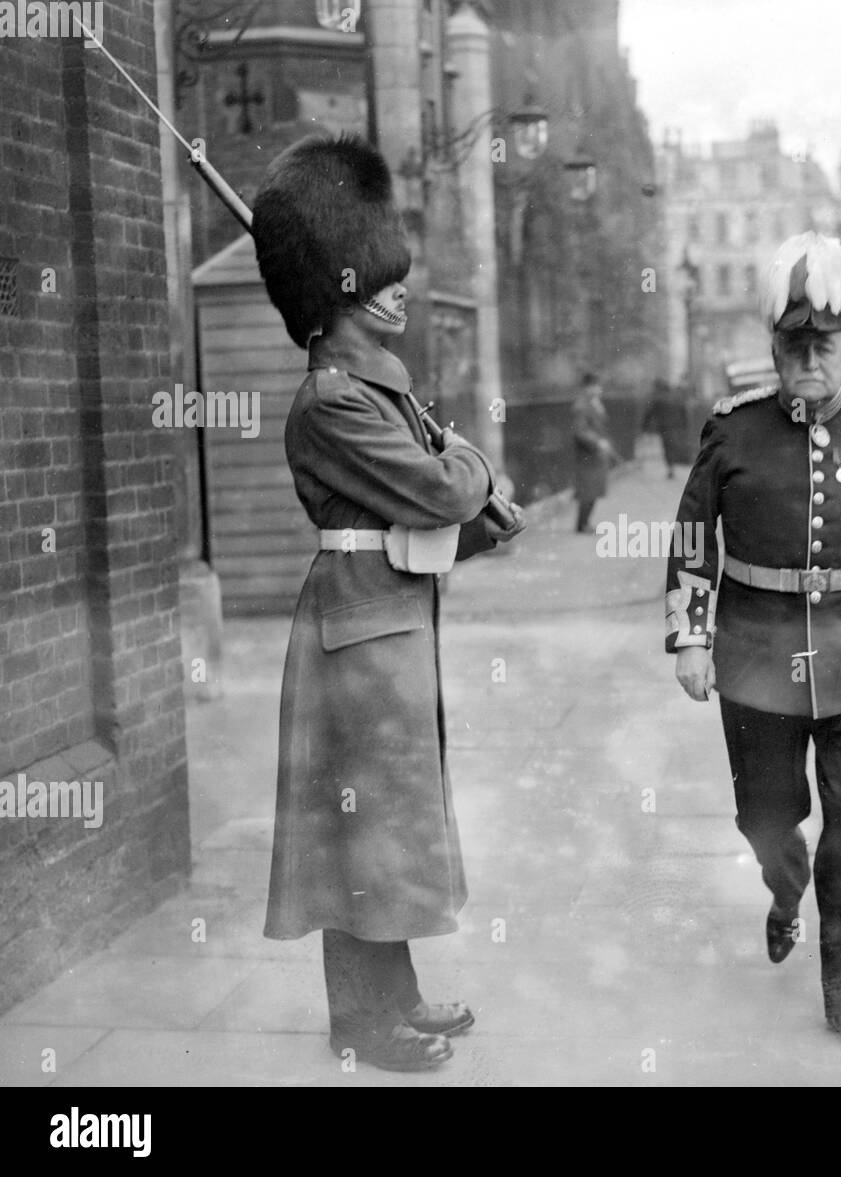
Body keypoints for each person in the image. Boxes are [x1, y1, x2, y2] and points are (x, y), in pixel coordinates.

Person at [251, 134, 526, 1072]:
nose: (400, 288)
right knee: (362, 827)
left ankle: (395, 997)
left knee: (388, 821)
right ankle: (360, 1024)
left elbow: (428, 509)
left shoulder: (375, 391)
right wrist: (475, 472)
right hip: (358, 629)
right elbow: (440, 491)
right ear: (338, 289)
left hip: (389, 614)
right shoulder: (333, 401)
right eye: (379, 275)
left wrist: (483, 520)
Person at [665, 232, 841, 1057]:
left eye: (822, 344)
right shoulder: (732, 430)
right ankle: (782, 881)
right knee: (765, 816)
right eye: (792, 344)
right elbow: (692, 534)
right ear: (772, 346)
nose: (807, 360)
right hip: (755, 658)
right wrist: (690, 637)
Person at [572, 372, 616, 533]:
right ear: (588, 387)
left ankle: (585, 523)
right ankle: (582, 524)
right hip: (588, 455)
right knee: (587, 492)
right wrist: (597, 442)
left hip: (595, 455)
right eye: (597, 386)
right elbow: (580, 431)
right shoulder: (582, 405)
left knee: (593, 490)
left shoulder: (593, 403)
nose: (600, 389)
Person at [641, 376, 691, 477]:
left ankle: (670, 466)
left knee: (667, 446)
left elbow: (649, 413)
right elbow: (684, 410)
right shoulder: (676, 397)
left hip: (664, 427)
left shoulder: (658, 398)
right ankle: (672, 466)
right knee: (673, 445)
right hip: (676, 426)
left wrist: (644, 427)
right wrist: (685, 424)